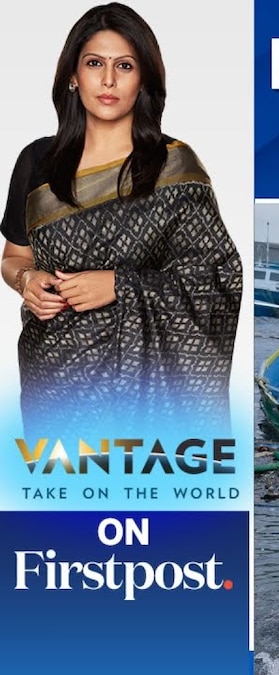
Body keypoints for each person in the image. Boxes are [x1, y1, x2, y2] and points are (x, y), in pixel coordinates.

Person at [0, 3, 241, 439]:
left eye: (124, 66)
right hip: (52, 382)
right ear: (73, 75)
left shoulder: (175, 167)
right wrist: (26, 282)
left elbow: (219, 277)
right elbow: (14, 257)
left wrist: (119, 285)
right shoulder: (36, 161)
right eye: (95, 63)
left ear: (143, 78)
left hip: (146, 396)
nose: (108, 80)